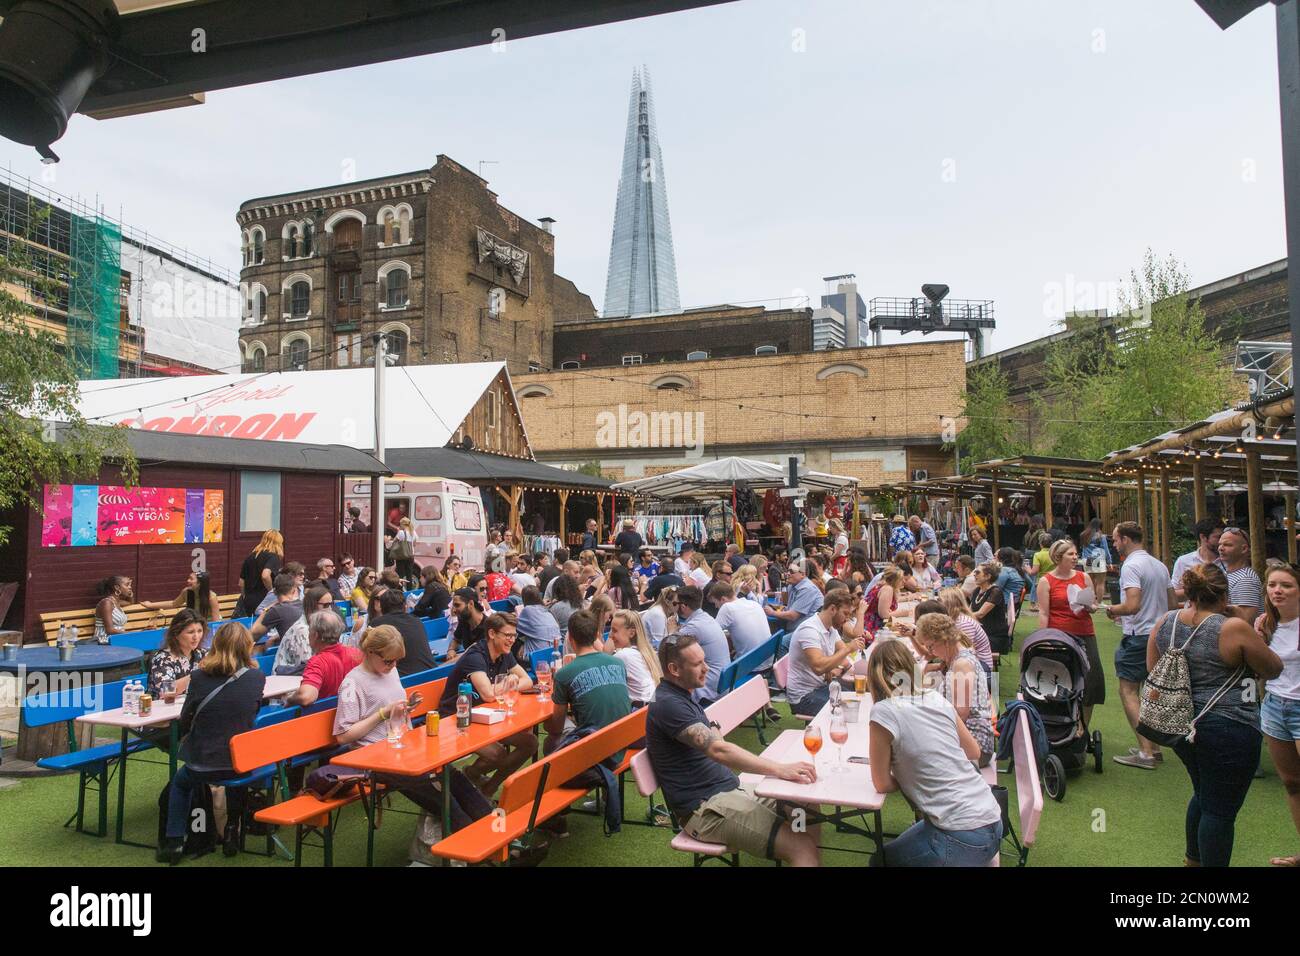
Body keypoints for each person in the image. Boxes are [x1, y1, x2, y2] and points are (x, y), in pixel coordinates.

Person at [646, 633, 821, 866]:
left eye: (704, 660)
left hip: (730, 791)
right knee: (802, 846)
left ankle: (799, 847)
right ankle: (799, 849)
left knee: (804, 802)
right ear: (674, 669)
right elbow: (719, 750)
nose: (707, 668)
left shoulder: (680, 694)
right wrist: (780, 769)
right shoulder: (668, 704)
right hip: (705, 810)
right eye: (697, 664)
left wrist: (713, 728)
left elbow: (712, 738)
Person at [1152, 563, 1281, 867]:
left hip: (1181, 725)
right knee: (1220, 810)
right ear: (1224, 595)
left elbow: (1152, 669)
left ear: (1191, 593)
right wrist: (1248, 628)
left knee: (1204, 795)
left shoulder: (1165, 623)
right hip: (1230, 727)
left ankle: (1192, 861)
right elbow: (1273, 668)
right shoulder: (1231, 628)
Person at [334, 625, 492, 845]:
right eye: (389, 661)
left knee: (453, 777)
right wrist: (382, 714)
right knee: (438, 790)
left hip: (402, 748)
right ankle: (478, 845)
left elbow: (391, 711)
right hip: (375, 760)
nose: (393, 666)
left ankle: (497, 836)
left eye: (397, 661)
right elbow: (343, 735)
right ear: (370, 652)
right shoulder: (353, 683)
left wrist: (406, 707)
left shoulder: (389, 671)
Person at [867, 640, 1003, 867]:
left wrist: (911, 772)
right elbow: (973, 750)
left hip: (960, 834)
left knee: (879, 862)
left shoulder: (883, 712)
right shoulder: (935, 698)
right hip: (993, 821)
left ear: (876, 677)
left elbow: (881, 784)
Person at [156, 622, 266, 863]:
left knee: (181, 783)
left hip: (202, 762)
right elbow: (252, 713)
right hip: (239, 760)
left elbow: (186, 719)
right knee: (237, 775)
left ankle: (174, 841)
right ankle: (230, 831)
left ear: (216, 645)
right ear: (247, 646)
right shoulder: (257, 677)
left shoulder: (198, 677)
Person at [435, 613, 536, 795]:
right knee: (497, 754)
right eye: (507, 635)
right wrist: (509, 683)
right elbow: (488, 694)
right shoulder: (476, 656)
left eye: (514, 636)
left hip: (485, 717)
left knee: (530, 742)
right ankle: (469, 778)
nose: (512, 640)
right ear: (492, 634)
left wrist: (508, 684)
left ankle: (487, 787)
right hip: (456, 720)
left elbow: (528, 681)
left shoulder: (504, 653)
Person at [1106, 522, 1174, 770]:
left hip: (1139, 635)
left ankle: (1146, 752)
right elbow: (1172, 601)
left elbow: (1132, 604)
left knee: (1128, 691)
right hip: (1161, 633)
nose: (1114, 545)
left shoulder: (1131, 565)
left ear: (1125, 539)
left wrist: (1112, 609)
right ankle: (1153, 747)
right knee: (1149, 692)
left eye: (1115, 540)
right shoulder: (1159, 565)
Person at [1256, 563, 1300, 865]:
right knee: (1292, 784)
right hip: (1274, 708)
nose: (1277, 591)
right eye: (1272, 585)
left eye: (1286, 585)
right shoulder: (1265, 624)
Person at [544, 609, 632, 757]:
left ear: (570, 637)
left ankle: (561, 779)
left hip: (593, 752)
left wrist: (549, 725)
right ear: (597, 635)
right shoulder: (618, 663)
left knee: (551, 740)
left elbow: (557, 728)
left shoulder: (564, 674)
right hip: (620, 743)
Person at [914, 612, 995, 766]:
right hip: (965, 739)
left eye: (930, 646)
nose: (930, 652)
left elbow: (961, 714)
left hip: (974, 745)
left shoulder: (962, 664)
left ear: (944, 640)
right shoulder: (956, 658)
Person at [1038, 538, 1104, 723]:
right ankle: (1063, 722)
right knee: (1062, 680)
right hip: (1060, 635)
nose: (1075, 557)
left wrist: (1091, 606)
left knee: (1091, 681)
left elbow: (1093, 603)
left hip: (1085, 632)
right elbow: (1044, 613)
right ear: (1059, 557)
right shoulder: (1046, 581)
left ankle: (1084, 726)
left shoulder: (1084, 577)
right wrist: (1043, 639)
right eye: (1070, 554)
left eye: (1076, 554)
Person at [786, 588, 864, 717]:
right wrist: (849, 649)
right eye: (845, 613)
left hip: (821, 688)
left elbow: (843, 657)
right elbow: (819, 667)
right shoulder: (809, 630)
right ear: (832, 609)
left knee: (860, 697)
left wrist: (846, 662)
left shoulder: (830, 628)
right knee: (851, 711)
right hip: (804, 697)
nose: (847, 619)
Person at [287, 610, 361, 707]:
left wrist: (290, 698)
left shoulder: (318, 662)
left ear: (316, 635)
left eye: (309, 632)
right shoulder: (356, 654)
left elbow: (306, 697)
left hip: (323, 718)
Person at [673, 585, 731, 703]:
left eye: (675, 603)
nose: (673, 606)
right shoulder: (706, 618)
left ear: (683, 606)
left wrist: (671, 629)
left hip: (710, 690)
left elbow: (669, 648)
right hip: (722, 682)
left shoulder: (694, 626)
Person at [370, 586, 435, 677]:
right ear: (405, 607)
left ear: (382, 608)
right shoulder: (416, 621)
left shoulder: (377, 624)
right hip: (432, 675)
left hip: (404, 681)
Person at [271, 585, 332, 676]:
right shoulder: (302, 630)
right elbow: (308, 666)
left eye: (331, 604)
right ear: (313, 605)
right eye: (326, 605)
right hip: (286, 680)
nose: (330, 609)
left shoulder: (321, 626)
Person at [149, 608, 208, 697]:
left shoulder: (203, 654)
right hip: (164, 708)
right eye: (190, 632)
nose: (196, 637)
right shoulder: (162, 659)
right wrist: (198, 674)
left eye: (199, 631)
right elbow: (167, 692)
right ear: (176, 634)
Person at [607, 609, 661, 706]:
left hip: (641, 713)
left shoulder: (624, 655)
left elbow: (605, 654)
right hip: (652, 709)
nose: (610, 635)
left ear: (631, 633)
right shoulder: (645, 652)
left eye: (614, 631)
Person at [935, 588, 994, 673]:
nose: (938, 604)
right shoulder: (957, 619)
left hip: (981, 666)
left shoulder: (963, 623)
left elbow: (966, 653)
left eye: (940, 600)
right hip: (972, 662)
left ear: (949, 603)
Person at [1215, 527, 1264, 622]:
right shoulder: (1227, 573)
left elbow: (1247, 620)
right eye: (1220, 544)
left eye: (1227, 545)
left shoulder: (1246, 579)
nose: (1221, 548)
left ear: (1244, 549)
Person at [769, 558, 825, 639]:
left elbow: (792, 616)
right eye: (787, 571)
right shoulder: (792, 585)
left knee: (777, 645)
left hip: (807, 633)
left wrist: (772, 613)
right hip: (795, 629)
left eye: (791, 572)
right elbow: (786, 606)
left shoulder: (807, 588)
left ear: (803, 574)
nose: (788, 574)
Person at [1172, 518, 1224, 604]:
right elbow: (1173, 594)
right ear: (1203, 537)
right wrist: (1198, 589)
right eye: (1218, 537)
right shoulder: (1183, 561)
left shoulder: (1228, 561)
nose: (1221, 541)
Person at [142, 570, 221, 624]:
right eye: (188, 578)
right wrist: (150, 605)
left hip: (208, 628)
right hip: (194, 626)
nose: (188, 581)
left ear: (199, 583)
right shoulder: (186, 592)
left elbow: (216, 622)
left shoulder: (211, 597)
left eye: (191, 579)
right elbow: (173, 604)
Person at [237, 529, 283, 617]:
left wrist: (245, 597)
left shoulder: (251, 556)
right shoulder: (274, 557)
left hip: (249, 601)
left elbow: (241, 583)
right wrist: (271, 591)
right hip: (264, 601)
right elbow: (265, 575)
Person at [251, 573, 304, 645]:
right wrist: (276, 637)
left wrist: (267, 609)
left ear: (274, 592)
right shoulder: (303, 605)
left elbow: (253, 634)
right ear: (294, 591)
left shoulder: (276, 610)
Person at [969, 562, 1010, 655]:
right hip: (980, 632)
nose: (974, 574)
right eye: (975, 572)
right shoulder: (977, 590)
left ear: (988, 576)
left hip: (994, 636)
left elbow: (980, 614)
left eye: (977, 572)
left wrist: (960, 616)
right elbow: (969, 611)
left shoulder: (995, 592)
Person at [517, 585, 562, 657]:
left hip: (539, 655)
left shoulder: (528, 610)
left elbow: (516, 627)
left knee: (515, 642)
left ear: (524, 598)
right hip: (557, 651)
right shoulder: (547, 611)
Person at [1079, 518, 1114, 606]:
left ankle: (1091, 601)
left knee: (1090, 582)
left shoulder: (1084, 535)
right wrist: (1109, 562)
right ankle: (1099, 602)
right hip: (1098, 559)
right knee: (1100, 582)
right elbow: (1105, 550)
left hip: (1087, 559)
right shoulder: (1101, 536)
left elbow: (1083, 549)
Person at [862, 567, 903, 638]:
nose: (903, 582)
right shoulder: (887, 589)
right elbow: (884, 615)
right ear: (894, 580)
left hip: (868, 622)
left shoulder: (880, 586)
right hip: (874, 627)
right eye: (901, 579)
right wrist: (904, 613)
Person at [449, 587, 487, 658]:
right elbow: (456, 639)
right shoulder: (464, 620)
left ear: (471, 604)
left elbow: (469, 656)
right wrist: (451, 650)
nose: (453, 610)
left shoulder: (488, 628)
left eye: (457, 605)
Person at [93, 575, 133, 644]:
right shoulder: (107, 603)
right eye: (127, 585)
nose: (130, 587)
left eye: (130, 585)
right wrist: (134, 634)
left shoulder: (116, 602)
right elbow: (110, 630)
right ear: (117, 587)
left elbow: (130, 602)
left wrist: (129, 591)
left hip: (118, 638)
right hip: (104, 640)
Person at [640, 585, 678, 649]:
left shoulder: (674, 613)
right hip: (650, 652)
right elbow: (662, 647)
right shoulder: (657, 614)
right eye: (677, 603)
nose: (681, 605)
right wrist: (672, 633)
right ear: (668, 602)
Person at [392, 516, 419, 584]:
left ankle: (400, 590)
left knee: (400, 575)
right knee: (409, 575)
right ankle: (409, 591)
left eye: (400, 524)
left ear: (403, 524)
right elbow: (415, 544)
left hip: (402, 556)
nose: (400, 526)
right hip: (410, 556)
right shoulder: (413, 532)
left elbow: (394, 541)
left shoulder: (401, 532)